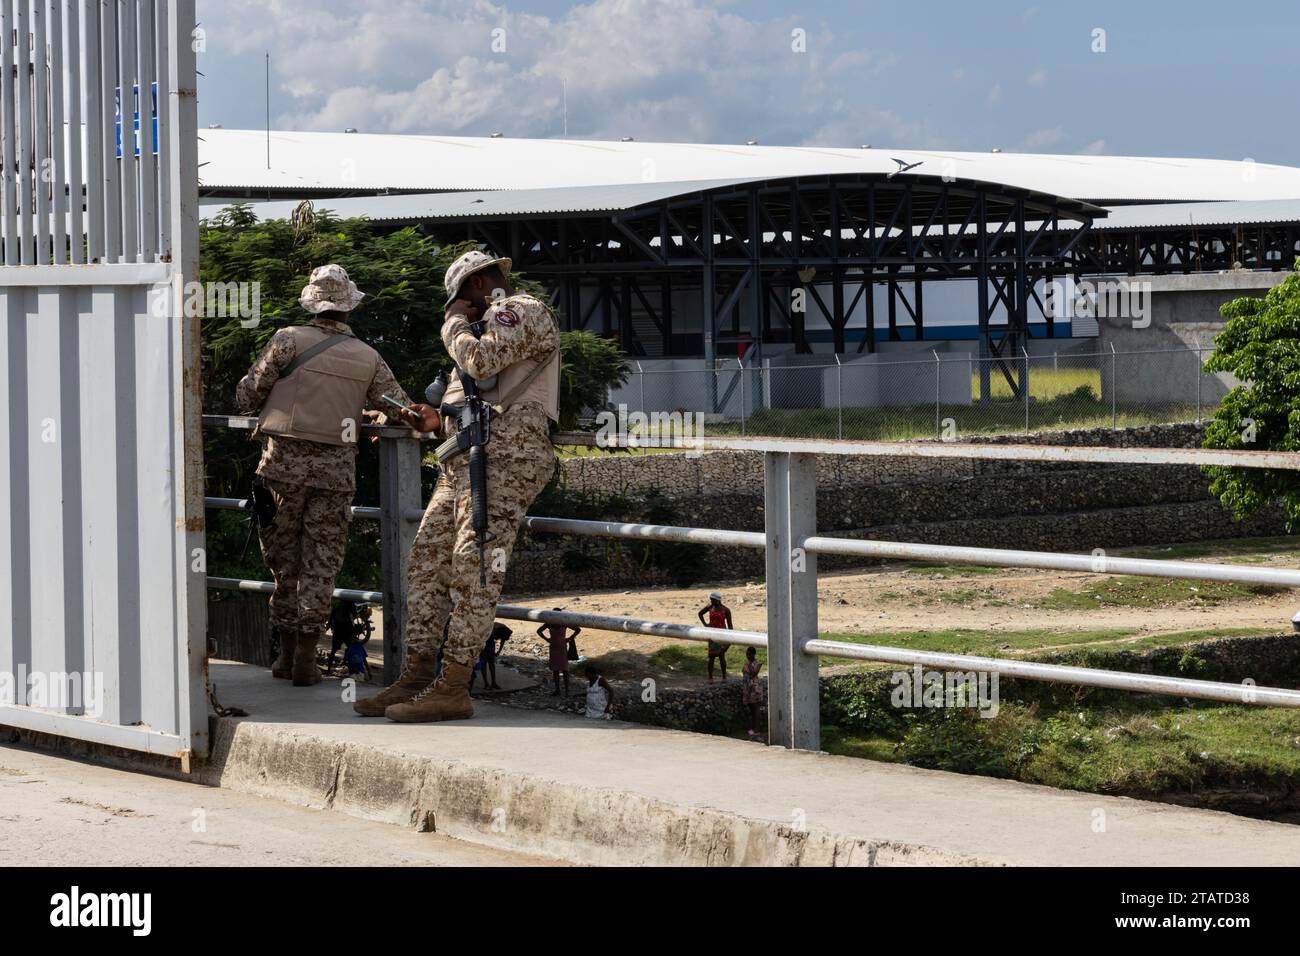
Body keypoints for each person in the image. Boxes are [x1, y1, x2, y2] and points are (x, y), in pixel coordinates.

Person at [355, 249, 560, 721]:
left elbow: (481, 362)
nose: (460, 306)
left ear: (481, 282)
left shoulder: (518, 310)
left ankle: (453, 686)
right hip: (465, 461)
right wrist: (430, 418)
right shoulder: (484, 327)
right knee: (426, 563)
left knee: (474, 569)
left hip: (506, 461)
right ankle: (416, 676)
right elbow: (468, 392)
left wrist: (453, 323)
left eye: (462, 296)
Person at [236, 264, 433, 686]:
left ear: (311, 302)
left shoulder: (287, 340)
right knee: (321, 565)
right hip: (335, 475)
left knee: (283, 565)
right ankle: (308, 659)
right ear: (348, 309)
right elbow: (405, 409)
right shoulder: (368, 356)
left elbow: (247, 394)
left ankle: (286, 656)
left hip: (280, 473)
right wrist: (374, 413)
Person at [538, 611, 580, 697]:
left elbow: (578, 629)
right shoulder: (550, 623)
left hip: (561, 648)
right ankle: (558, 690)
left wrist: (569, 638)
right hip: (554, 648)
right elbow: (539, 631)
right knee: (556, 670)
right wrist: (547, 639)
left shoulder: (563, 623)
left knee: (565, 670)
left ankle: (566, 691)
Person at [697, 591, 733, 682]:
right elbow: (700, 613)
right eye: (711, 600)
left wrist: (729, 641)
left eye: (712, 600)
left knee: (722, 656)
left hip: (722, 635)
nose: (711, 601)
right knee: (711, 657)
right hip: (712, 634)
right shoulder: (710, 607)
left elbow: (730, 627)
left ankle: (724, 677)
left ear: (718, 600)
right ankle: (710, 677)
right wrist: (705, 624)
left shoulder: (726, 610)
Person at [741, 646, 765, 738]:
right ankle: (753, 728)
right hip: (747, 687)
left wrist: (749, 664)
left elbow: (753, 674)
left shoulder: (758, 663)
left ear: (754, 654)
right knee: (751, 709)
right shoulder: (746, 662)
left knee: (756, 708)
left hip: (755, 688)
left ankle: (757, 730)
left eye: (750, 654)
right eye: (747, 654)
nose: (748, 656)